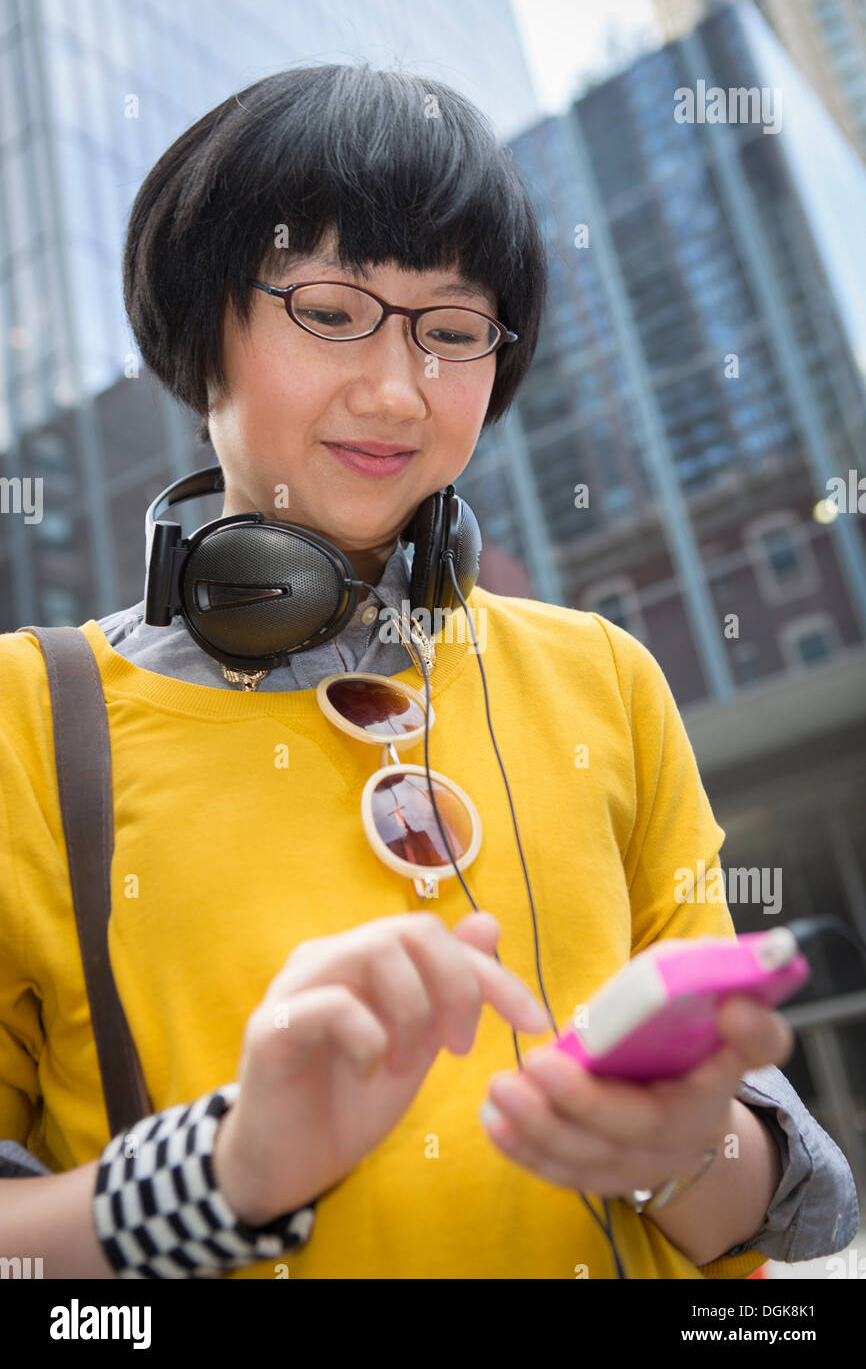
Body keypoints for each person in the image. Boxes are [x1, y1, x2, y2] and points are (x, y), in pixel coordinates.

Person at [0, 63, 858, 1280]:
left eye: (451, 332)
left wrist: (684, 1145)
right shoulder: (28, 717)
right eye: (332, 311)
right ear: (203, 335)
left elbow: (760, 1200)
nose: (397, 389)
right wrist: (224, 1175)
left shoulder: (603, 678)